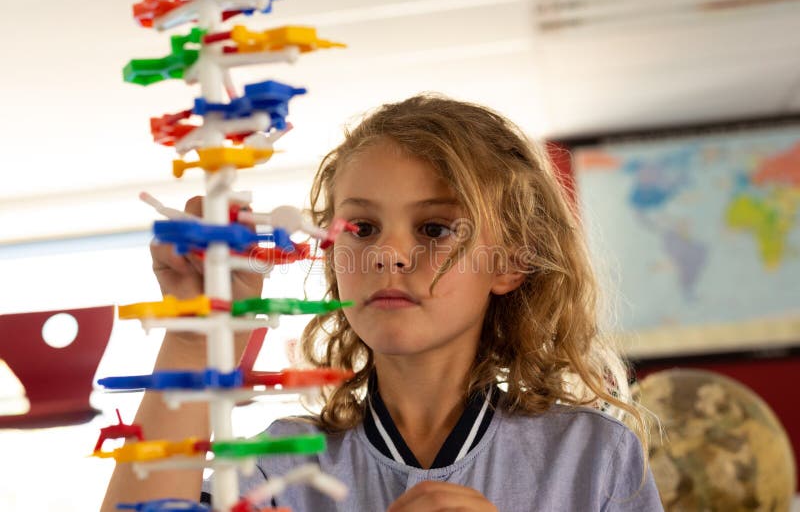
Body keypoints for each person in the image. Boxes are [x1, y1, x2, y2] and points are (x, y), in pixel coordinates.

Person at [102, 94, 663, 511]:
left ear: (510, 262)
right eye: (363, 227)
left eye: (436, 228)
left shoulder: (594, 456)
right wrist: (194, 339)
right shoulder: (280, 466)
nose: (388, 254)